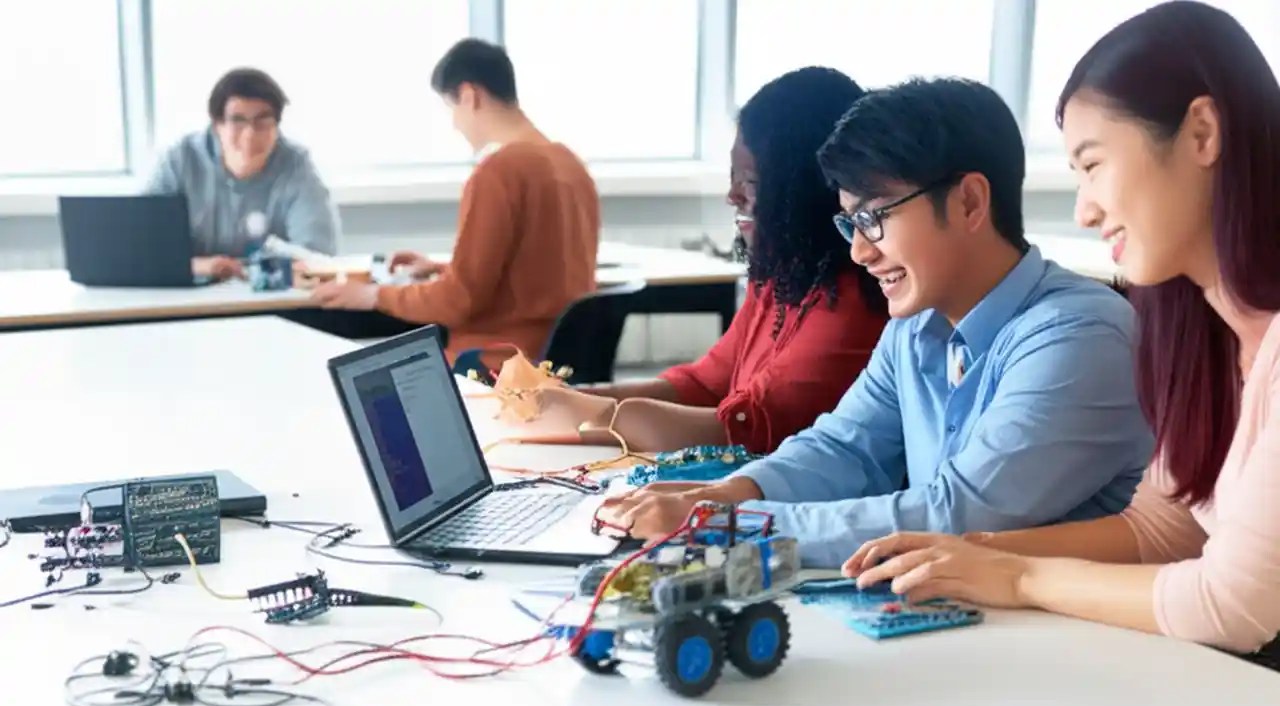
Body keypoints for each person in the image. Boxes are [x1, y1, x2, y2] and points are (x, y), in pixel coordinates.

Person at [845, 1, 1280, 666]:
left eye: (1094, 164)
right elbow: (1165, 528)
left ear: (1201, 133)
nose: (1083, 212)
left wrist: (1020, 577)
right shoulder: (1211, 338)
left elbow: (1233, 604)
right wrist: (979, 554)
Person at [597, 77, 1153, 569]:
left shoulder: (1079, 336)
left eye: (875, 217)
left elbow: (958, 514)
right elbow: (845, 447)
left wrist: (725, 526)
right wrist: (722, 496)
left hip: (1078, 655)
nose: (859, 251)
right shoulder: (916, 327)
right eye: (850, 222)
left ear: (969, 202)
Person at [532, 67, 889, 455]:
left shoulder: (855, 303)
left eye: (750, 181)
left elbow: (752, 427)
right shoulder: (781, 277)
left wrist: (586, 412)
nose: (732, 196)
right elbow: (705, 385)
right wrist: (570, 398)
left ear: (803, 190)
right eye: (733, 176)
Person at [311, 39, 600, 364]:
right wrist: (441, 269)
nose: (455, 124)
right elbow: (538, 274)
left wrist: (373, 295)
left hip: (494, 365)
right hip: (555, 362)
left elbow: (458, 301)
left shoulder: (499, 171)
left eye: (452, 109)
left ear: (469, 95)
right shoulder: (571, 165)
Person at [145, 67, 340, 281]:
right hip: (189, 296)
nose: (250, 134)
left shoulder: (296, 165)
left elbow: (318, 256)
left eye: (263, 121)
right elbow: (142, 244)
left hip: (271, 297)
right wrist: (199, 266)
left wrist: (254, 271)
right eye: (238, 121)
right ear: (217, 125)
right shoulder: (180, 160)